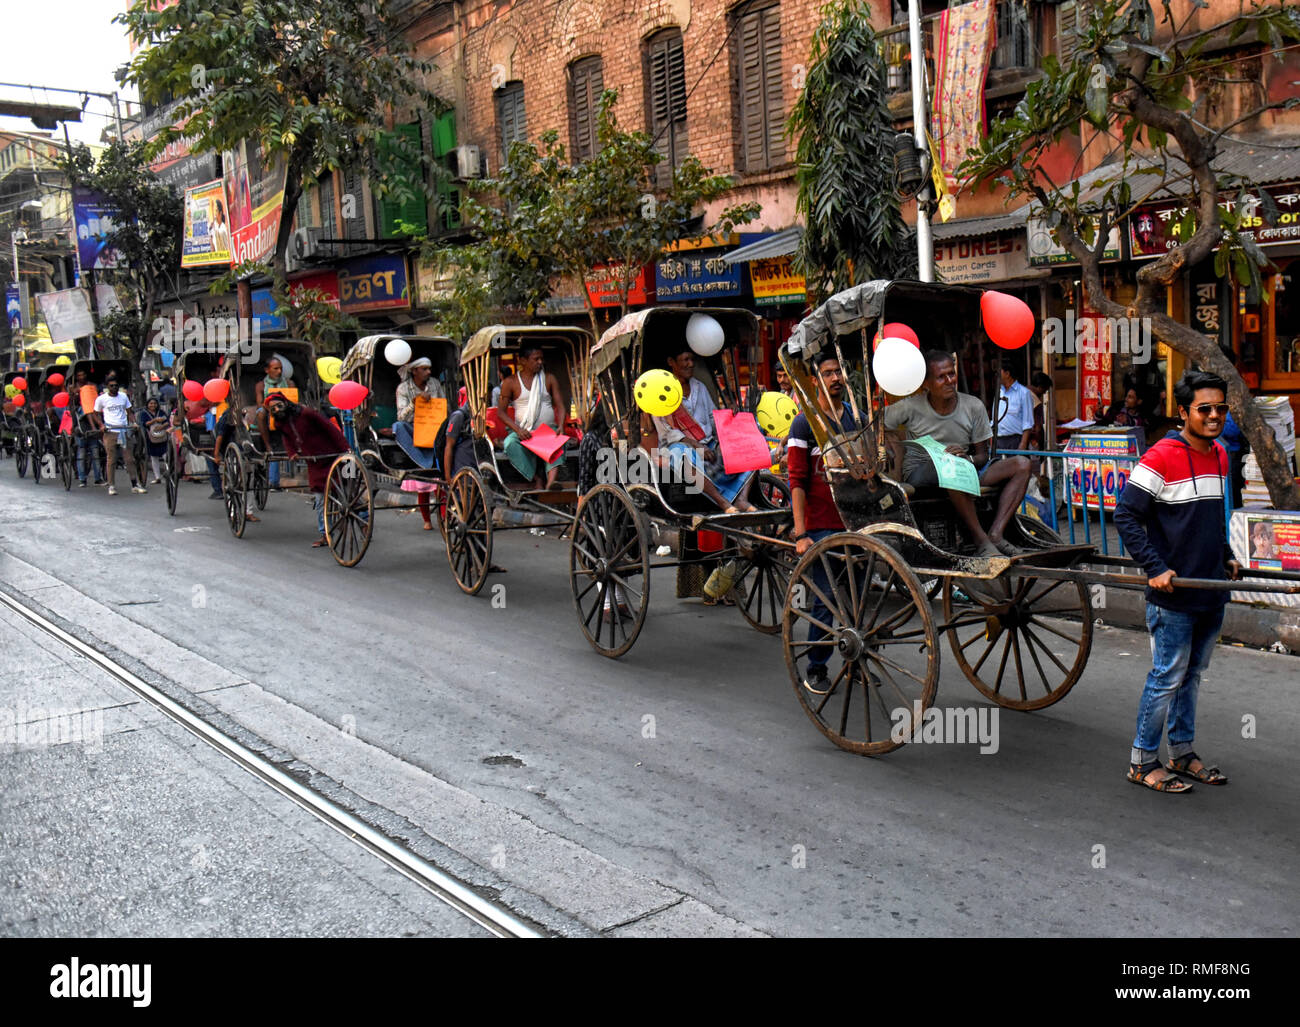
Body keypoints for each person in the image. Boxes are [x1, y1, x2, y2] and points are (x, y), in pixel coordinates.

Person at [1114, 370, 1240, 794]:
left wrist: (1225, 555)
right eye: (1205, 409)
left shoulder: (1221, 455)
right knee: (1167, 676)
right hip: (1171, 593)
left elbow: (1211, 518)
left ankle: (1182, 751)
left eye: (1221, 408)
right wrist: (1154, 567)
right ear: (1184, 412)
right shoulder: (1160, 457)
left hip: (1209, 588)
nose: (1214, 416)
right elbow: (1126, 515)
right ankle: (1141, 760)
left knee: (1193, 675)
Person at [883, 351, 1030, 557]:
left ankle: (996, 534)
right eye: (941, 377)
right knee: (950, 465)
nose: (949, 381)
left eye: (951, 374)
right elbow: (874, 423)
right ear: (926, 383)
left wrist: (967, 458)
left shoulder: (973, 405)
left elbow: (982, 456)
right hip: (921, 472)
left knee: (1022, 464)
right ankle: (981, 539)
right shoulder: (910, 406)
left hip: (963, 467)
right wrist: (887, 445)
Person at [788, 353, 863, 694]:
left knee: (859, 598)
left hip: (855, 520)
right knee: (826, 598)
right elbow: (797, 481)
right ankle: (816, 665)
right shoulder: (804, 423)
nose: (836, 377)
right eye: (828, 373)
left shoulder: (854, 417)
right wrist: (801, 532)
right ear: (815, 380)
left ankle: (858, 661)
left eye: (839, 371)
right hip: (821, 524)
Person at [649, 344, 756, 513]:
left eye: (692, 359)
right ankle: (723, 502)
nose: (690, 364)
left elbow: (712, 417)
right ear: (672, 362)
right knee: (682, 455)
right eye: (685, 360)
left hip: (709, 443)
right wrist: (695, 445)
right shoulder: (660, 394)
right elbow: (667, 433)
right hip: (678, 447)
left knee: (750, 445)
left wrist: (724, 437)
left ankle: (741, 498)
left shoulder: (699, 387)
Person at [265, 391, 351, 546]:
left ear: (285, 403)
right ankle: (325, 534)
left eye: (279, 406)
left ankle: (363, 521)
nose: (277, 410)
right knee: (319, 499)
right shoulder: (280, 423)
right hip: (314, 461)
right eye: (273, 409)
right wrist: (292, 453)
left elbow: (330, 428)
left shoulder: (307, 414)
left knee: (344, 491)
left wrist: (345, 448)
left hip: (331, 454)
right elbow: (287, 439)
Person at [496, 345, 566, 490]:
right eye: (536, 359)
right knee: (510, 444)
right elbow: (501, 412)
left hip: (548, 431)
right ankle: (537, 478)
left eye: (541, 358)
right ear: (522, 361)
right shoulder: (510, 382)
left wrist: (561, 426)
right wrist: (518, 430)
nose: (540, 362)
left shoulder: (549, 378)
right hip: (523, 432)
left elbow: (560, 406)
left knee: (558, 442)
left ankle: (552, 482)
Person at [91, 374, 146, 496]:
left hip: (123, 430)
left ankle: (134, 484)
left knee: (129, 459)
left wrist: (134, 422)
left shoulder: (123, 396)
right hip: (110, 431)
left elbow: (129, 412)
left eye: (116, 386)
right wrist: (101, 425)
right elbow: (95, 414)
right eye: (111, 386)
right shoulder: (101, 399)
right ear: (107, 387)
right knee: (111, 459)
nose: (114, 388)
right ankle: (111, 485)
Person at [390, 356, 445, 469]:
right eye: (424, 369)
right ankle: (424, 462)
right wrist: (414, 403)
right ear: (414, 371)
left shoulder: (435, 383)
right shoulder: (403, 388)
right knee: (398, 426)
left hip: (435, 428)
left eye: (429, 369)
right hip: (414, 428)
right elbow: (401, 417)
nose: (428, 372)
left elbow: (444, 406)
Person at [255, 357, 295, 488]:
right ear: (267, 370)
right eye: (275, 368)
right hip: (268, 410)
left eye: (280, 369)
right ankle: (267, 445)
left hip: (286, 409)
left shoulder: (289, 383)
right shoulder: (261, 385)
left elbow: (294, 398)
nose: (279, 371)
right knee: (260, 413)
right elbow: (259, 402)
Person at [992, 360, 1035, 458]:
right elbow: (994, 419)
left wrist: (1023, 444)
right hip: (998, 441)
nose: (996, 375)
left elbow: (1028, 422)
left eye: (999, 372)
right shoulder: (998, 392)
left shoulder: (1024, 393)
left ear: (1007, 374)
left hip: (1015, 441)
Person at [72, 369, 105, 487]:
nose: (82, 376)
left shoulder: (91, 385)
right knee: (81, 453)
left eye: (83, 374)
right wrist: (75, 393)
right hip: (81, 414)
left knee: (95, 453)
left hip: (93, 409)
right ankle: (82, 479)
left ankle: (98, 478)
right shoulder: (73, 387)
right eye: (79, 375)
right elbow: (73, 403)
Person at [1219, 409, 1247, 508]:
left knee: (1233, 490)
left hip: (1233, 454)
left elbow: (1232, 430)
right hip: (1220, 454)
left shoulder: (1232, 410)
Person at [138, 397, 168, 483]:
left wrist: (161, 426)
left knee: (165, 454)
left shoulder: (161, 412)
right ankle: (157, 477)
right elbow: (144, 423)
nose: (153, 405)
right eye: (151, 403)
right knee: (154, 457)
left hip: (162, 435)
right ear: (147, 404)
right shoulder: (144, 413)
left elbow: (166, 421)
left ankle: (169, 472)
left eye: (154, 403)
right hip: (150, 436)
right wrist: (155, 420)